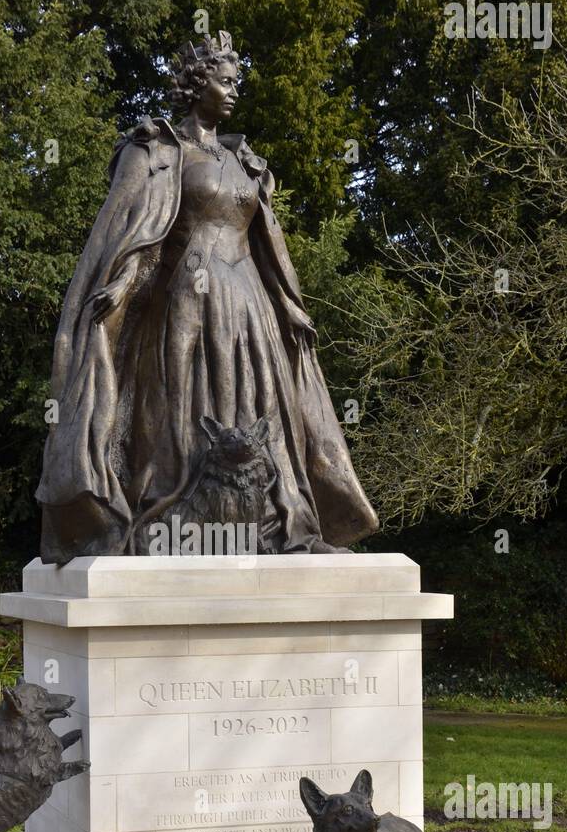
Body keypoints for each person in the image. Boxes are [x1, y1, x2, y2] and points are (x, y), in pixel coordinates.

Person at [37, 31, 378, 566]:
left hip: (251, 303)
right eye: (224, 80)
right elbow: (129, 230)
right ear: (197, 87)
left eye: (235, 81)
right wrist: (123, 283)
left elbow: (268, 248)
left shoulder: (247, 162)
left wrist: (290, 305)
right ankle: (175, 513)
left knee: (263, 402)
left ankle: (263, 515)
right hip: (187, 299)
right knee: (181, 406)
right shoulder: (157, 150)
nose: (234, 90)